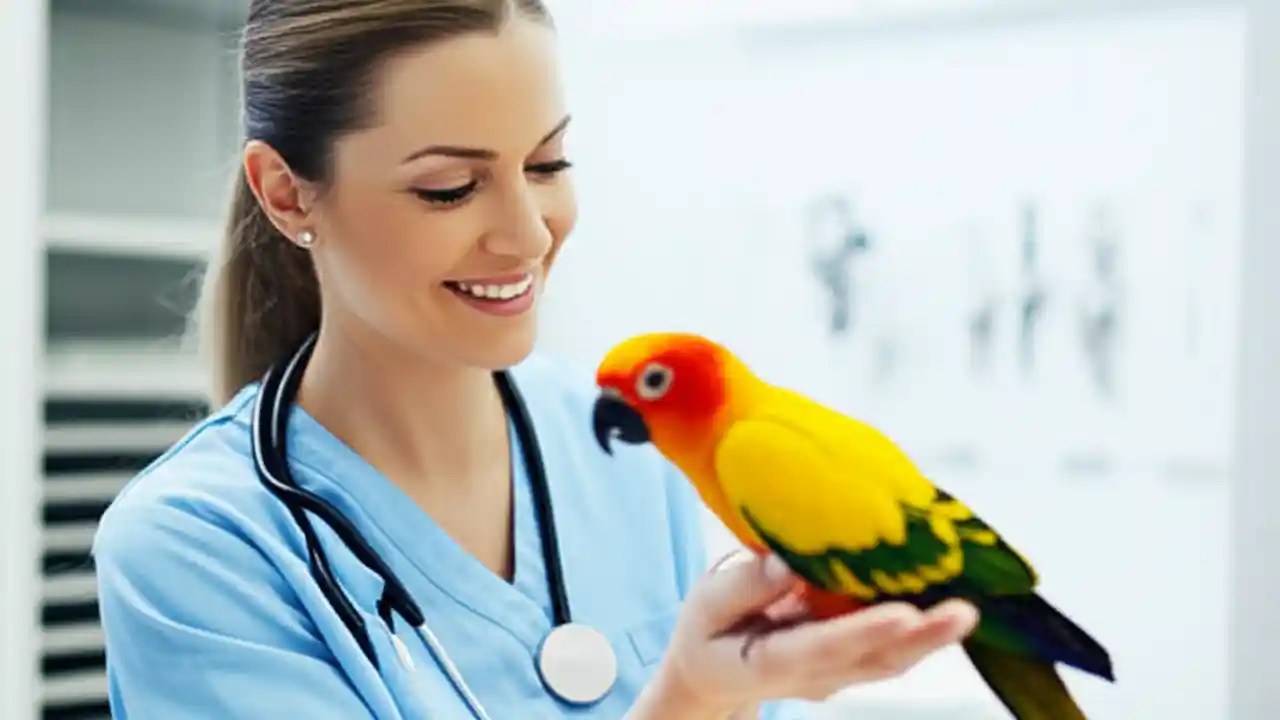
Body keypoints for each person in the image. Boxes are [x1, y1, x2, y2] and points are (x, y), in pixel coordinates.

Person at [91, 1, 979, 718]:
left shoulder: (625, 448)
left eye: (549, 162)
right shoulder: (194, 548)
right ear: (287, 194)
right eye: (450, 188)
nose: (527, 234)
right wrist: (693, 701)